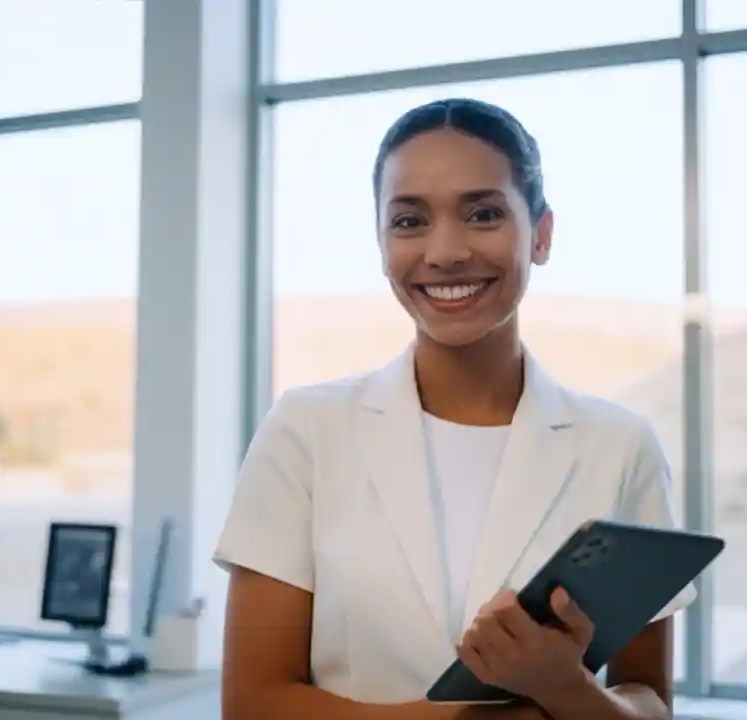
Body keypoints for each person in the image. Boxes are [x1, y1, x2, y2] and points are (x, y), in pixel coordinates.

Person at [215, 98, 695, 719]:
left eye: (484, 213)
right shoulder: (306, 431)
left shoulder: (620, 446)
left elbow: (649, 699)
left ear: (541, 235)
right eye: (409, 221)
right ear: (382, 241)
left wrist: (563, 687)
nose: (444, 252)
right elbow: (253, 706)